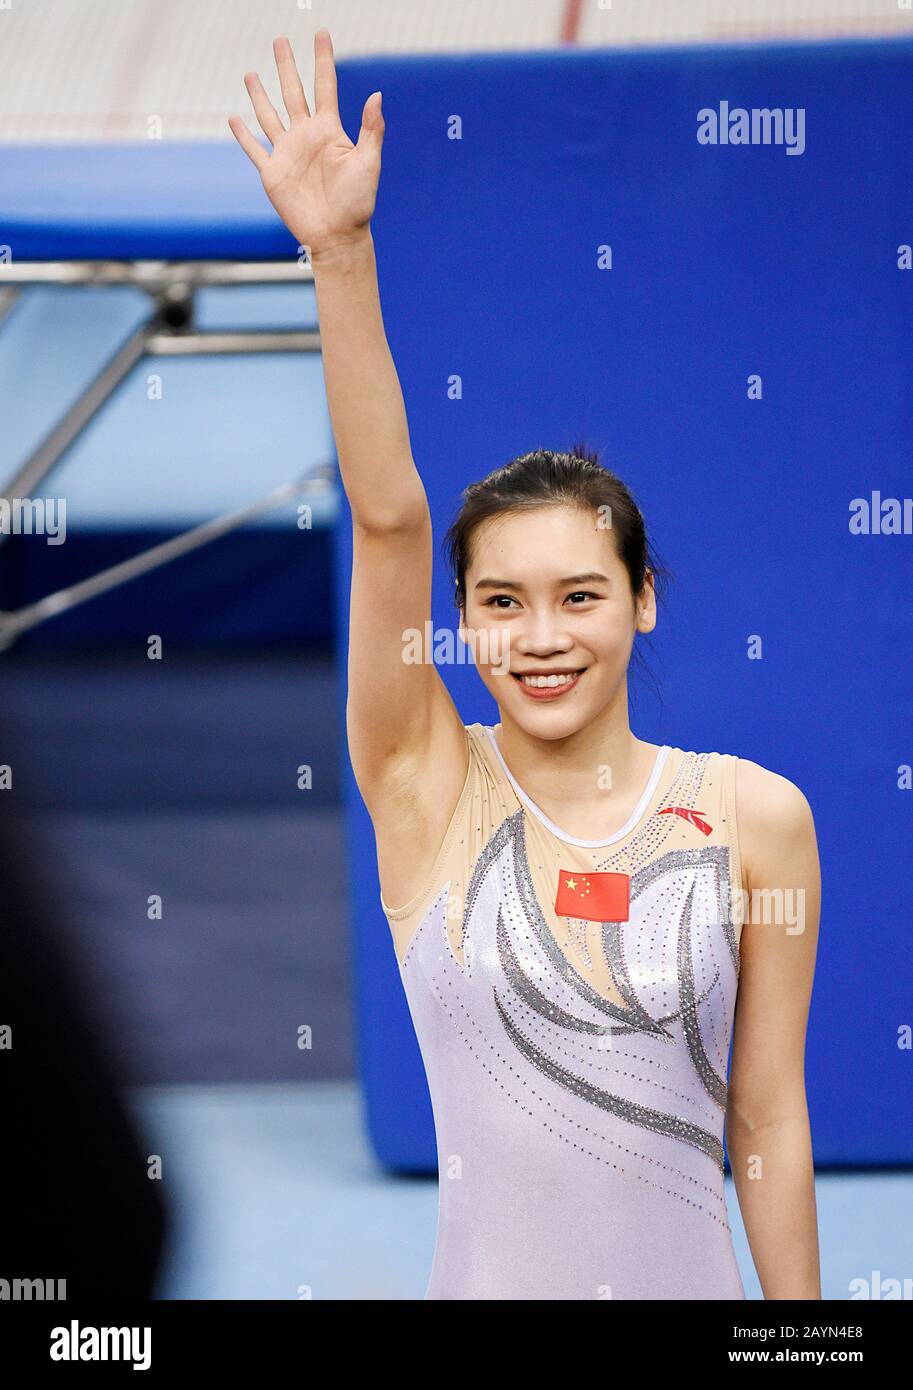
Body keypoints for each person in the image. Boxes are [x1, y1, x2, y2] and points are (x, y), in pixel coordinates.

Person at [229, 30, 822, 1301]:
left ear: (643, 603)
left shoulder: (755, 819)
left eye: (579, 596)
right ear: (460, 620)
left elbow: (766, 1123)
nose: (540, 635)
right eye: (501, 601)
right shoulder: (423, 785)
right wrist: (338, 255)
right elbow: (387, 515)